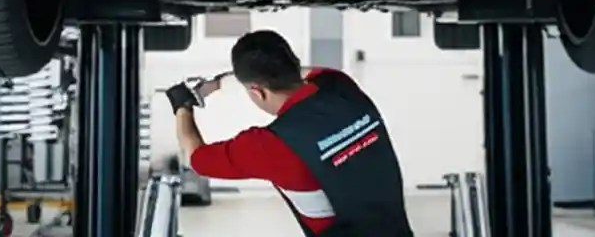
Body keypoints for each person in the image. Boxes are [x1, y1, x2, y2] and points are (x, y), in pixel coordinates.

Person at [164, 29, 414, 237]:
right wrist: (226, 80)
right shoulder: (340, 85)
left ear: (257, 92)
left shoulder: (270, 145)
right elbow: (311, 72)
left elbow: (196, 158)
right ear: (294, 64)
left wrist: (182, 105)